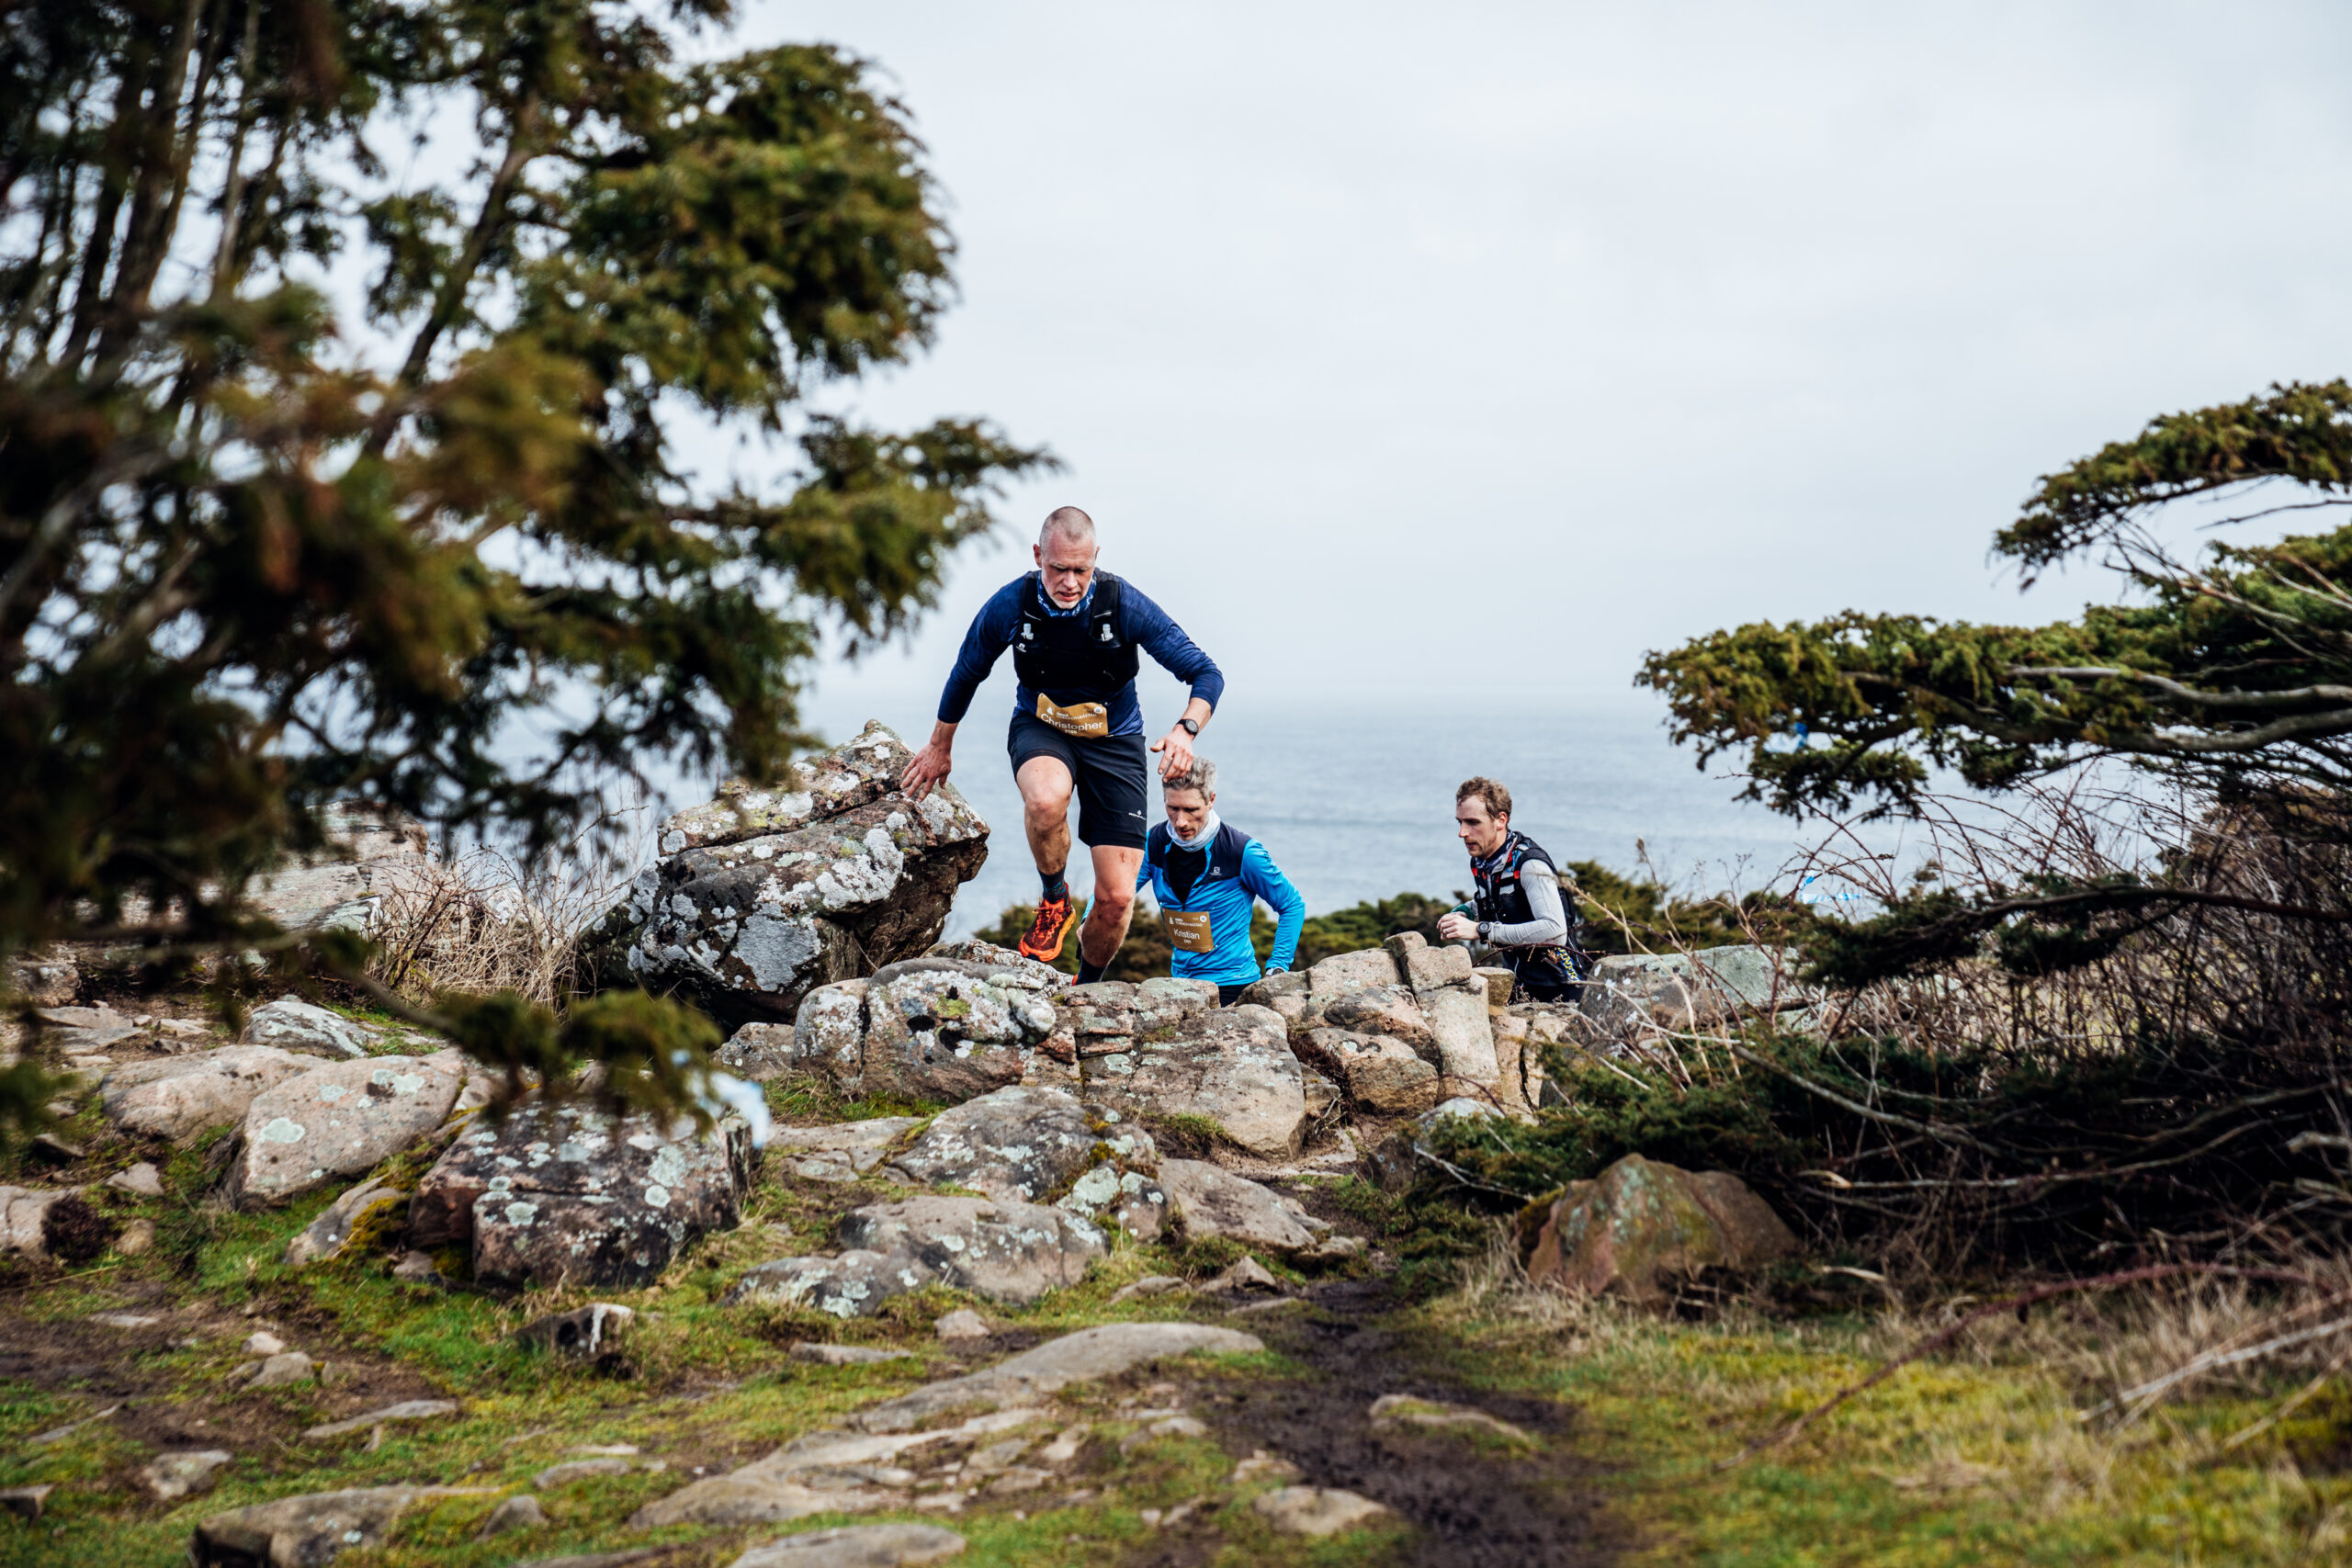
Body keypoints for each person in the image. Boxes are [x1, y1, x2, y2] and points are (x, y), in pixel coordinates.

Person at [899, 506, 1223, 979]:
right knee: (1046, 801)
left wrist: (1185, 729)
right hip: (1042, 727)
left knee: (1116, 900)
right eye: (1058, 569)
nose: (1070, 582)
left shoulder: (1124, 604)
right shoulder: (1011, 605)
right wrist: (938, 747)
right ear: (1038, 556)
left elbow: (1205, 673)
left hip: (1115, 741)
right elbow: (967, 672)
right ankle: (1055, 899)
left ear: (1096, 559)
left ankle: (1082, 989)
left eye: (1081, 569)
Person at [1136, 757, 1305, 1004]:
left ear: (1211, 800)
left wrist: (1277, 967)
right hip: (1180, 984)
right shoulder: (1154, 842)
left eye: (1191, 810)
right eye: (1173, 808)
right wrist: (1089, 920)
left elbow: (1291, 905)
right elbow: (1116, 890)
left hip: (1232, 985)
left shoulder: (1241, 851)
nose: (1181, 821)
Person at [1434, 775, 1590, 1002]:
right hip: (1518, 984)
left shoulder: (1530, 865)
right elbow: (1504, 900)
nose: (1462, 833)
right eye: (1460, 822)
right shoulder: (1484, 861)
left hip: (1561, 988)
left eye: (1473, 823)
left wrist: (1482, 930)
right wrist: (1467, 911)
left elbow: (1555, 931)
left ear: (1500, 820)